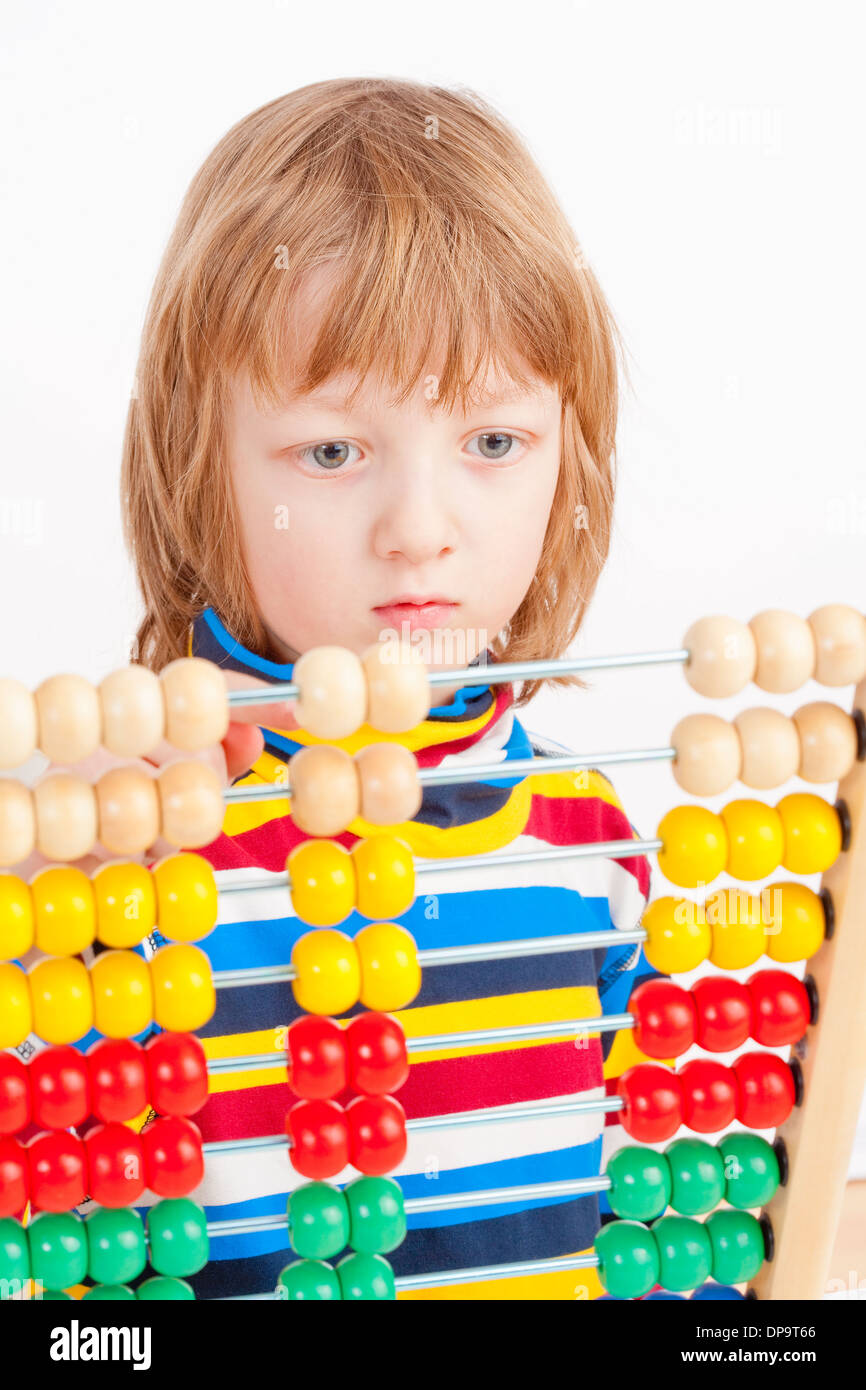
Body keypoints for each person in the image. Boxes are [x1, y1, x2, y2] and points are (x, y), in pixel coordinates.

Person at [31, 77, 660, 1300]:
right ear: (193, 466)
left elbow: (657, 1224)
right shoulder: (122, 847)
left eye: (491, 443)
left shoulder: (592, 848)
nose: (418, 530)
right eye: (331, 451)